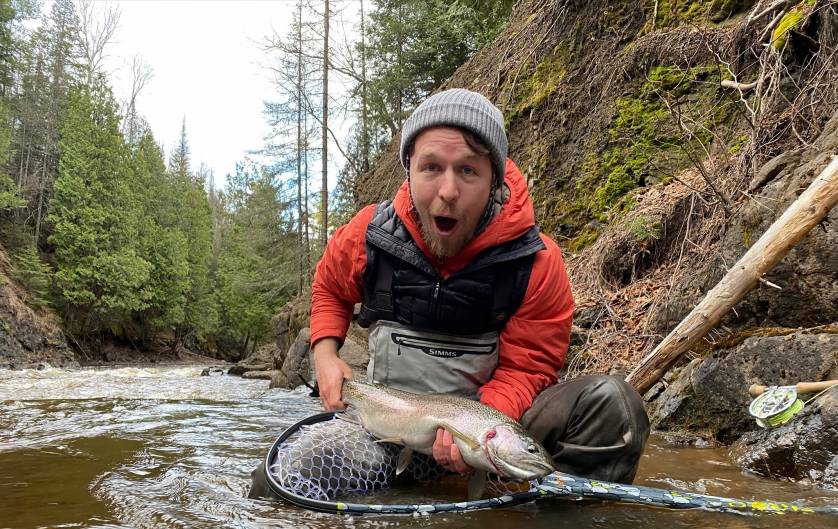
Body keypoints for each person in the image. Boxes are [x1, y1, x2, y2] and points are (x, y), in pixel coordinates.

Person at [249, 88, 648, 499]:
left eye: (468, 171)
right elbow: (330, 289)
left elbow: (529, 367)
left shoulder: (536, 262)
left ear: (495, 177)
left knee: (613, 407)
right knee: (280, 478)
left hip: (491, 420)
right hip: (387, 424)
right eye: (431, 168)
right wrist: (326, 354)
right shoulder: (367, 236)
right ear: (409, 172)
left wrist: (478, 432)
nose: (448, 191)